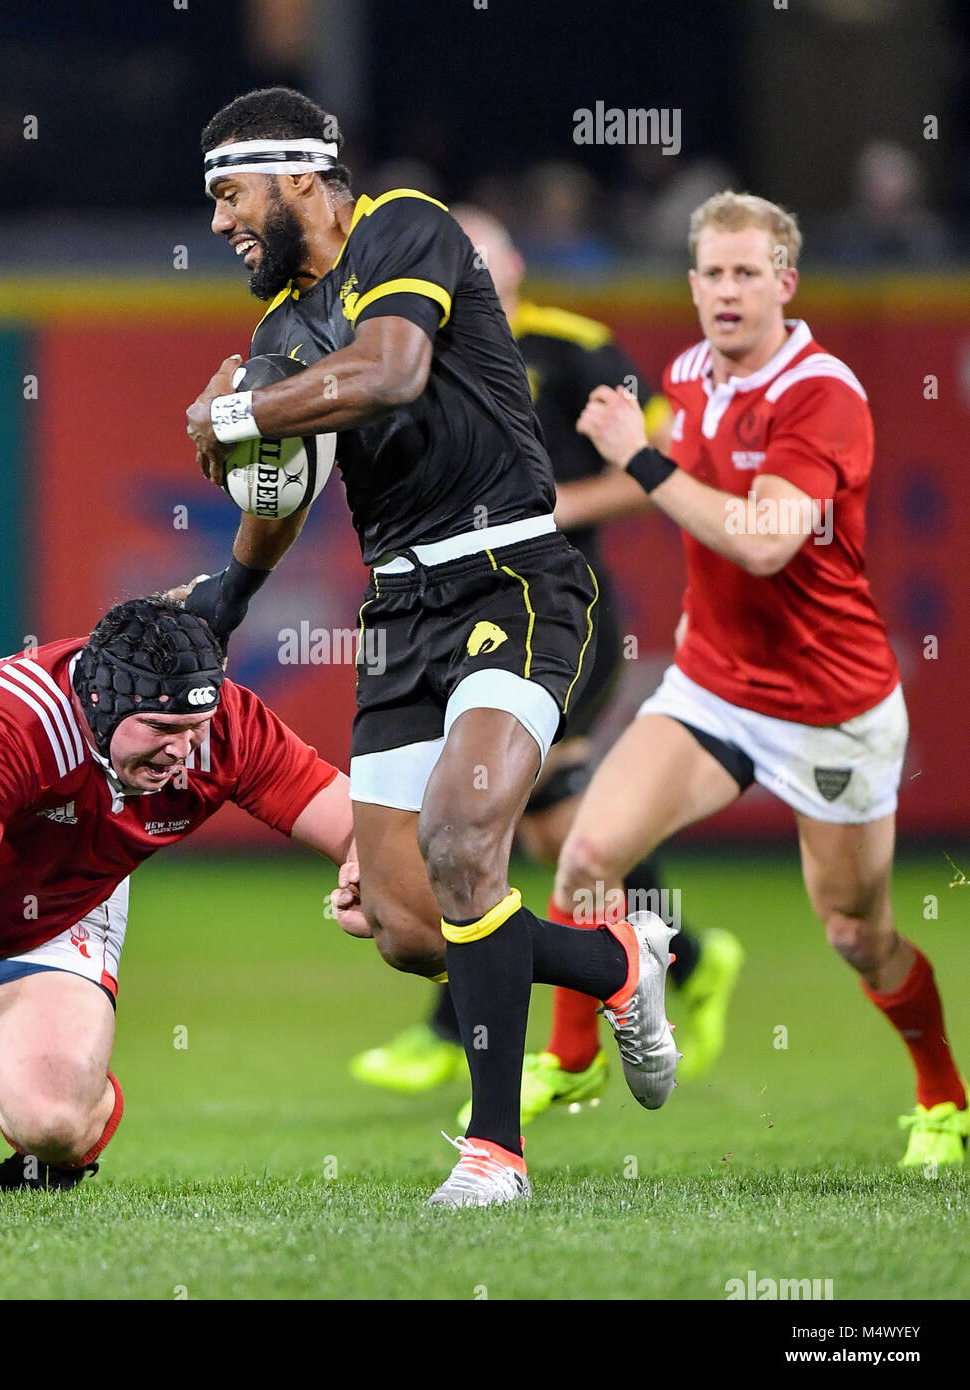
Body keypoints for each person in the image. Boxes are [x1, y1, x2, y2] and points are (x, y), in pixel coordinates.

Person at [183, 86, 680, 1208]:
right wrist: (233, 588)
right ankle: (619, 961)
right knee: (409, 928)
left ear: (299, 178)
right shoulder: (275, 333)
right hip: (399, 613)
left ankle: (493, 1154)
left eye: (227, 194)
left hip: (513, 576)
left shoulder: (407, 226)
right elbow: (284, 488)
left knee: (465, 839)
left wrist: (235, 417)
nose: (216, 223)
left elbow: (393, 370)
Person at [557, 190, 967, 1168]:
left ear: (785, 282)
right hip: (713, 688)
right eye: (711, 272)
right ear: (692, 283)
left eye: (748, 272)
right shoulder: (689, 373)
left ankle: (943, 1097)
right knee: (584, 859)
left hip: (830, 709)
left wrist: (641, 460)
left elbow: (768, 542)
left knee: (855, 933)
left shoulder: (822, 392)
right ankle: (573, 1056)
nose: (727, 290)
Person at [348, 206, 744, 1125]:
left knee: (479, 824)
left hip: (553, 608)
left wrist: (550, 505)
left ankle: (464, 1033)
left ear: (512, 266)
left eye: (480, 260)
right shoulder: (411, 344)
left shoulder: (573, 349)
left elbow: (663, 453)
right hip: (466, 612)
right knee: (547, 834)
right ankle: (674, 956)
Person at [0, 597, 363, 1196]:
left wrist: (365, 874)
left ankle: (48, 1167)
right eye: (162, 730)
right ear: (99, 707)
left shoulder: (226, 728)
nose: (182, 750)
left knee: (54, 1119)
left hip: (59, 910)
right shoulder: (12, 722)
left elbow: (351, 822)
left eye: (194, 728)